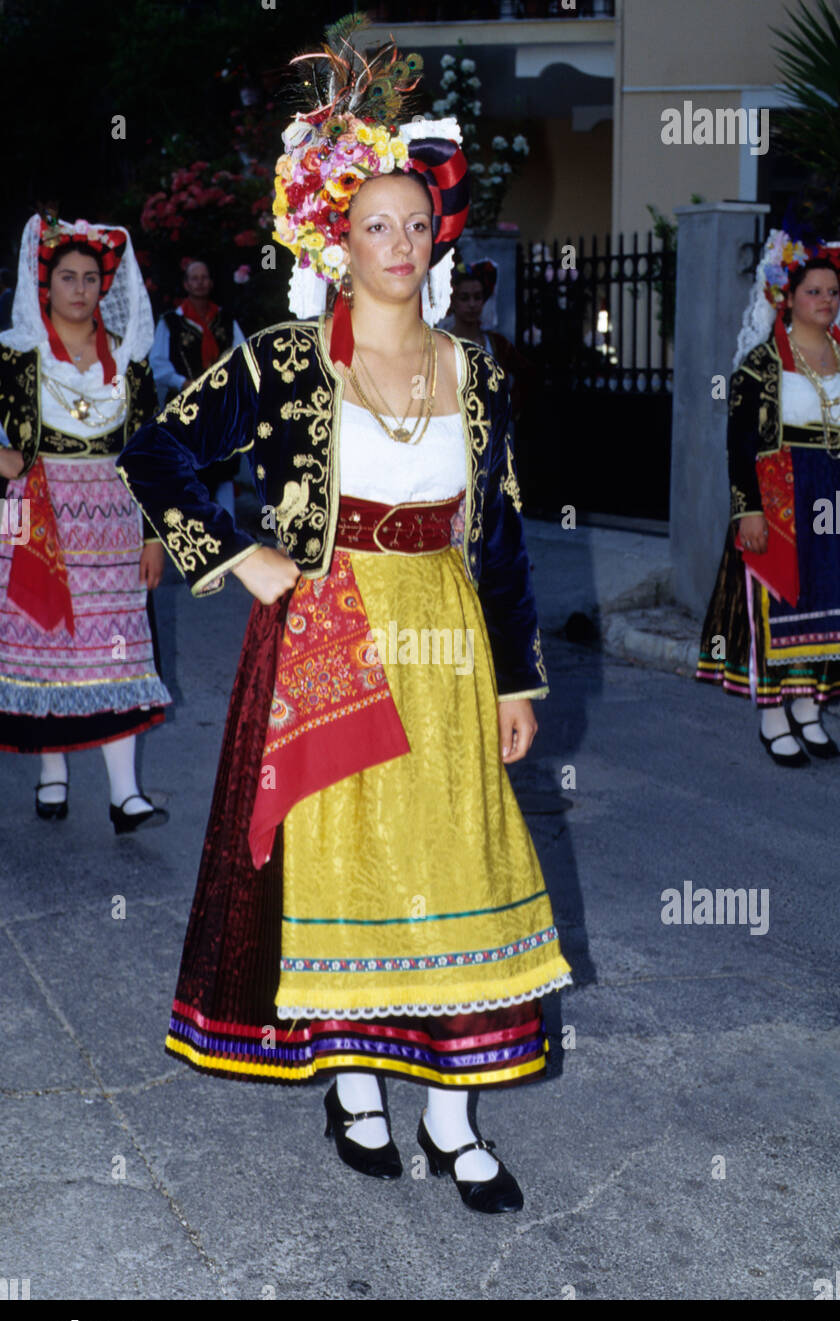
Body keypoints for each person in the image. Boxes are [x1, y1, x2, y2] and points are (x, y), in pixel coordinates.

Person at [117, 21, 571, 1213]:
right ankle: (356, 1082)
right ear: (336, 236)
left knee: (454, 854)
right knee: (346, 861)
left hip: (446, 633)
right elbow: (155, 452)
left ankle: (456, 1112)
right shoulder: (280, 362)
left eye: (417, 223)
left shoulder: (477, 374)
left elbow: (507, 529)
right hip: (323, 630)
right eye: (376, 224)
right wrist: (239, 556)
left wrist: (521, 679)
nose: (402, 244)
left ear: (439, 236)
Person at [0, 213, 171, 830]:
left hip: (114, 517)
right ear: (46, 286)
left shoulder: (132, 364)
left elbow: (152, 454)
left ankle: (126, 796)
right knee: (44, 636)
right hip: (31, 510)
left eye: (91, 278)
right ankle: (52, 773)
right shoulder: (16, 356)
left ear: (107, 287)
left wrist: (155, 535)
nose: (79, 289)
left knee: (115, 649)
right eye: (67, 277)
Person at [697, 227, 840, 764]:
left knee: (827, 601)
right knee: (780, 605)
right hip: (783, 499)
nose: (825, 301)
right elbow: (738, 443)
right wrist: (747, 508)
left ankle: (809, 707)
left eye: (831, 292)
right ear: (786, 298)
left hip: (833, 497)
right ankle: (773, 713)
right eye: (814, 292)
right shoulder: (761, 364)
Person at [149, 259, 246, 520]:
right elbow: (158, 362)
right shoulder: (171, 322)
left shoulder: (225, 319)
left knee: (223, 468)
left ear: (211, 283)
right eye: (194, 278)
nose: (200, 282)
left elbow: (242, 355)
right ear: (186, 284)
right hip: (184, 407)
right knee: (188, 468)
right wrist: (183, 383)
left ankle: (228, 531)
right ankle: (190, 531)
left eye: (204, 277)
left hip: (220, 406)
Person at [449, 255, 534, 420]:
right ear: (453, 301)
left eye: (478, 297)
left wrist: (508, 408)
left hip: (492, 431)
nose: (472, 304)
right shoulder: (443, 342)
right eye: (464, 298)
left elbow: (527, 374)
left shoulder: (496, 344)